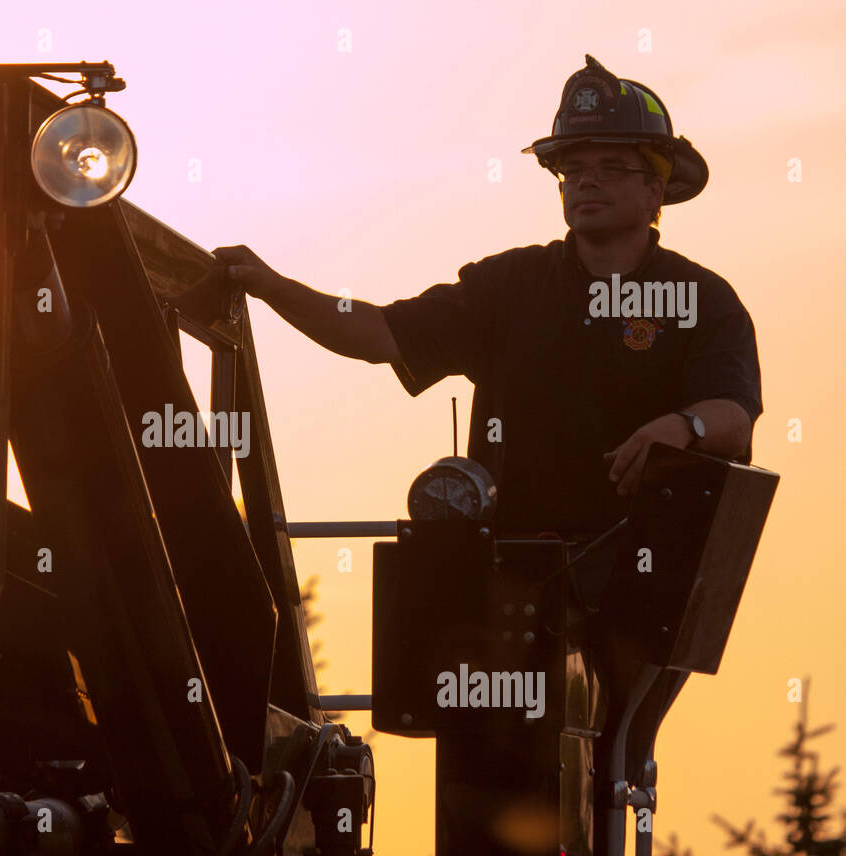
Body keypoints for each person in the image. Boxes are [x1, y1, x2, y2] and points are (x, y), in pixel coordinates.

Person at [214, 54, 763, 543]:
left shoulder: (703, 299)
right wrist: (271, 285)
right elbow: (377, 333)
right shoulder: (507, 285)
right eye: (574, 169)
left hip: (639, 589)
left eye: (612, 168)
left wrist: (681, 428)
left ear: (655, 191)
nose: (586, 182)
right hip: (507, 580)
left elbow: (733, 415)